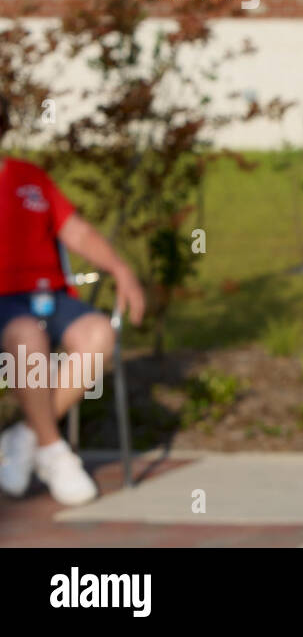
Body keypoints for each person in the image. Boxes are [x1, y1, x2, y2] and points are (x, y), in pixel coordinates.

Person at [0, 93, 146, 506]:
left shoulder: (31, 178)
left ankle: (26, 436)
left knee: (99, 333)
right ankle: (53, 450)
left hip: (51, 296)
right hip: (4, 305)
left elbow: (77, 233)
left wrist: (120, 269)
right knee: (27, 337)